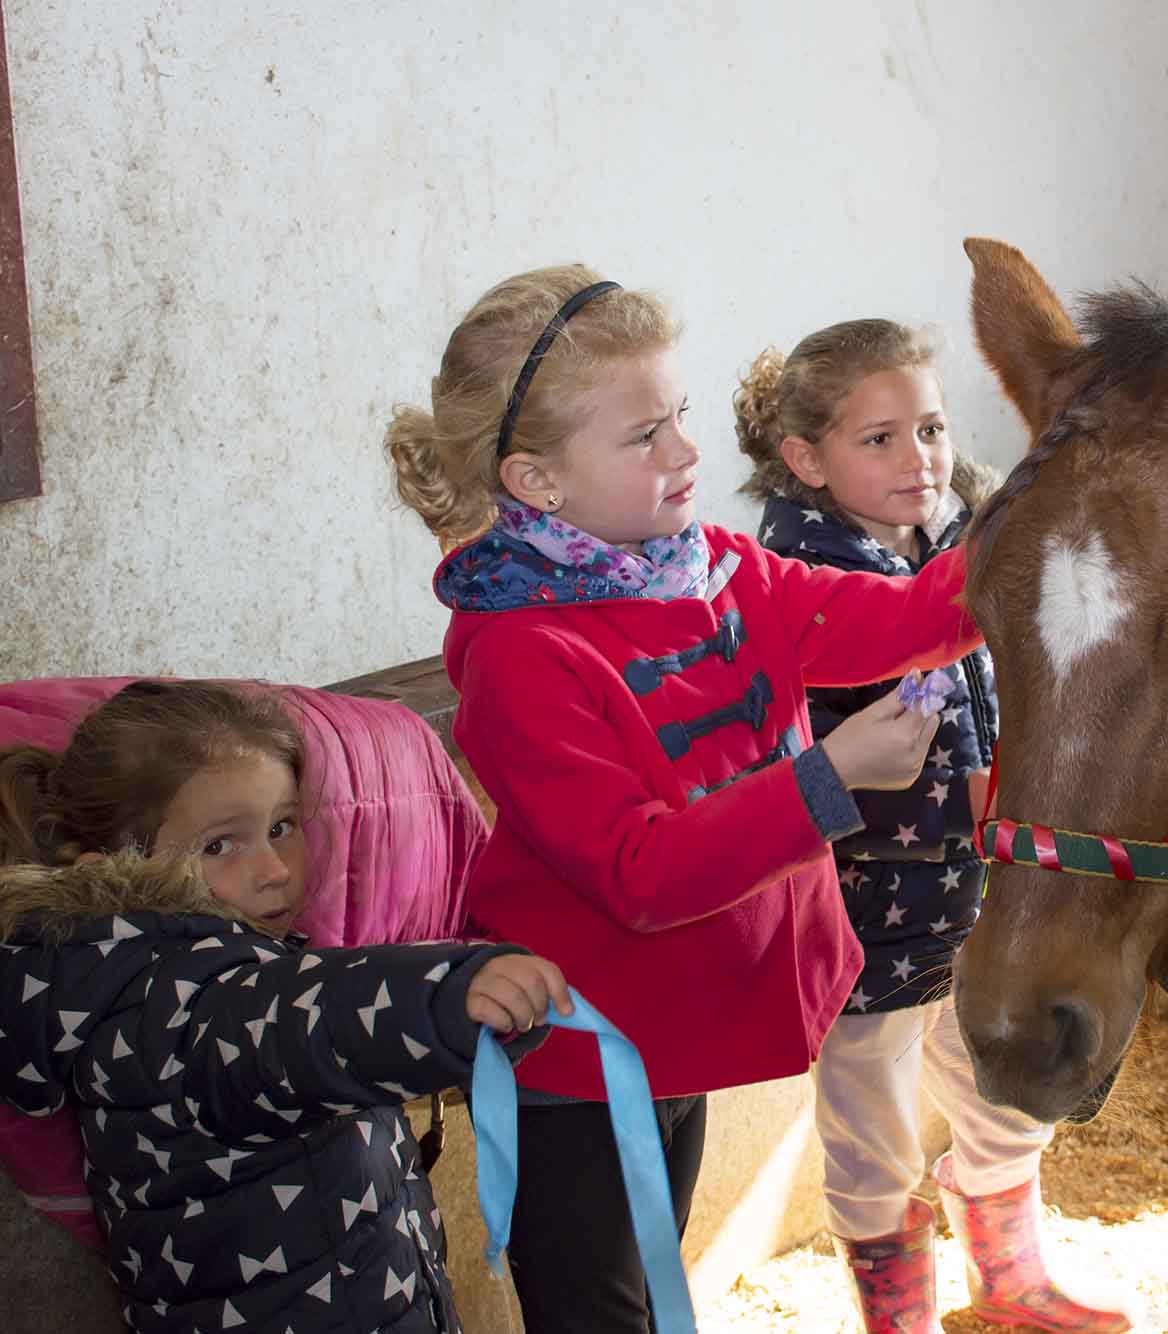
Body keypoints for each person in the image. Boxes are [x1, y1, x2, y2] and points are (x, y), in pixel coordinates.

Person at [384, 266, 982, 1332]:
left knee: (663, 1301)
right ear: (537, 480)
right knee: (603, 1311)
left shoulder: (709, 566)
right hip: (580, 1057)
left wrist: (1044, 530)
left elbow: (903, 619)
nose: (686, 452)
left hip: (680, 1026)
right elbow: (640, 871)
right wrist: (830, 775)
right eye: (643, 433)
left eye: (681, 416)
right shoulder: (526, 655)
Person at [736, 317, 1133, 1332]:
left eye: (930, 428)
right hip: (860, 933)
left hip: (968, 913)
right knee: (869, 1136)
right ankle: (895, 1315)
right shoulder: (803, 585)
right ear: (804, 459)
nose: (919, 459)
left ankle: (1010, 1277)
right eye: (878, 438)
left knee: (1005, 1097)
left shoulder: (956, 538)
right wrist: (988, 803)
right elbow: (820, 777)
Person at [0, 678, 569, 1333]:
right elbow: (303, 1021)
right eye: (220, 844)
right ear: (112, 869)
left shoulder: (217, 965)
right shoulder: (165, 1005)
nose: (273, 869)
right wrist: (445, 996)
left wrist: (475, 1017)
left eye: (282, 826)